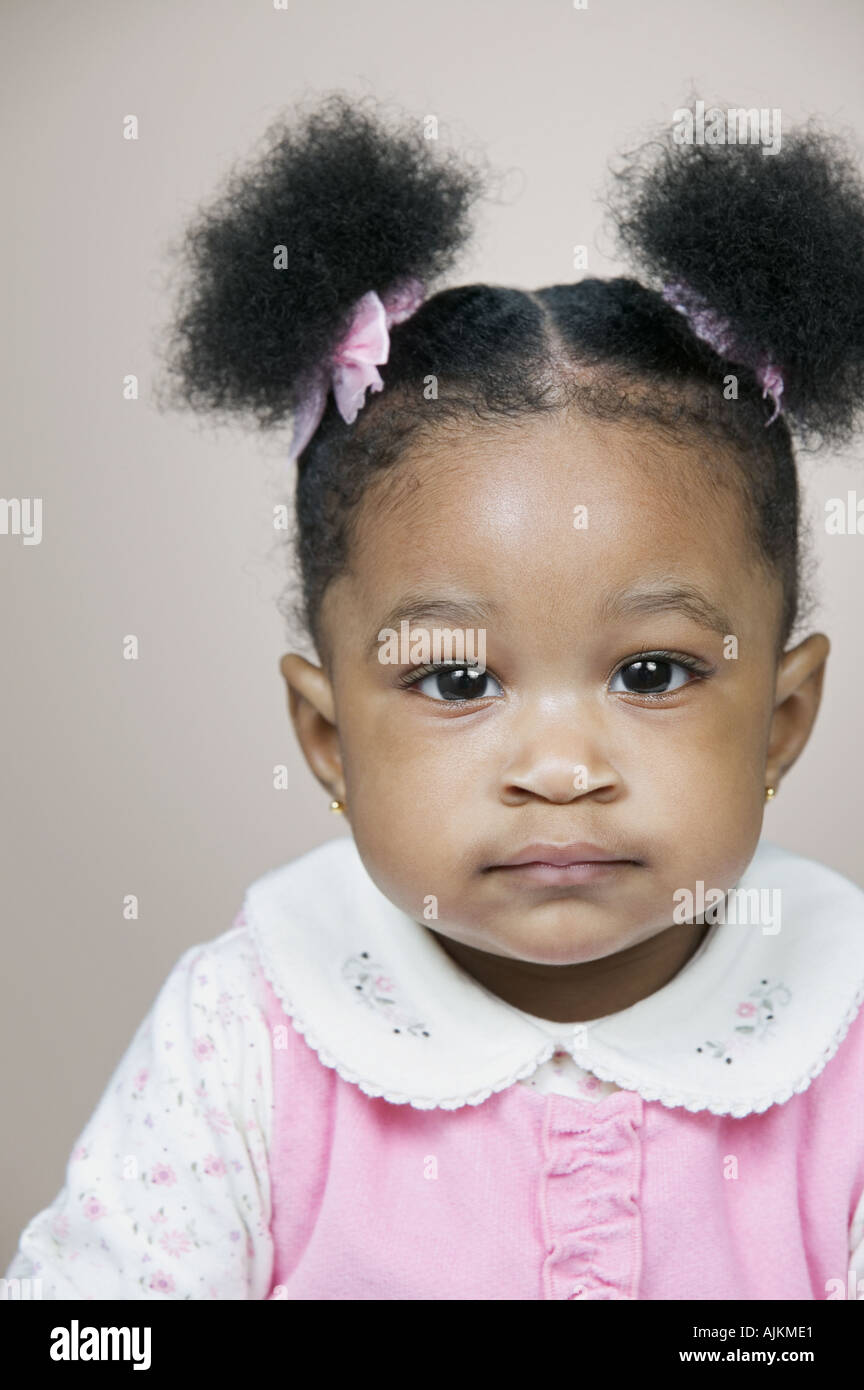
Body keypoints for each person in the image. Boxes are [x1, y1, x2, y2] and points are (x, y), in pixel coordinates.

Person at [6, 93, 864, 1300]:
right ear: (327, 735)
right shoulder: (248, 1034)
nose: (561, 766)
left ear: (783, 721)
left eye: (651, 671)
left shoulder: (842, 1028)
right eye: (457, 678)